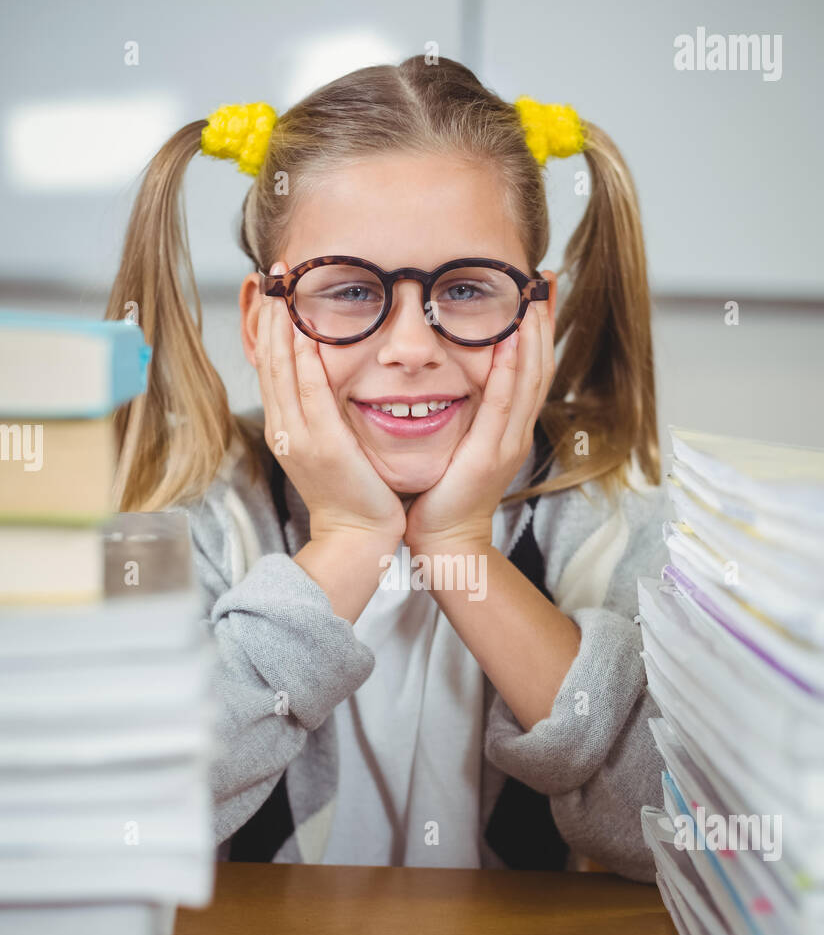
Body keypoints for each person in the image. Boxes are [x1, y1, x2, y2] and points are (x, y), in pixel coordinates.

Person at [108, 55, 668, 875]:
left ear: (537, 312)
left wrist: (462, 550)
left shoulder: (622, 520)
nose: (411, 347)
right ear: (262, 324)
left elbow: (689, 826)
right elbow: (108, 821)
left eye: (469, 289)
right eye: (351, 290)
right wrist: (347, 537)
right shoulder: (180, 512)